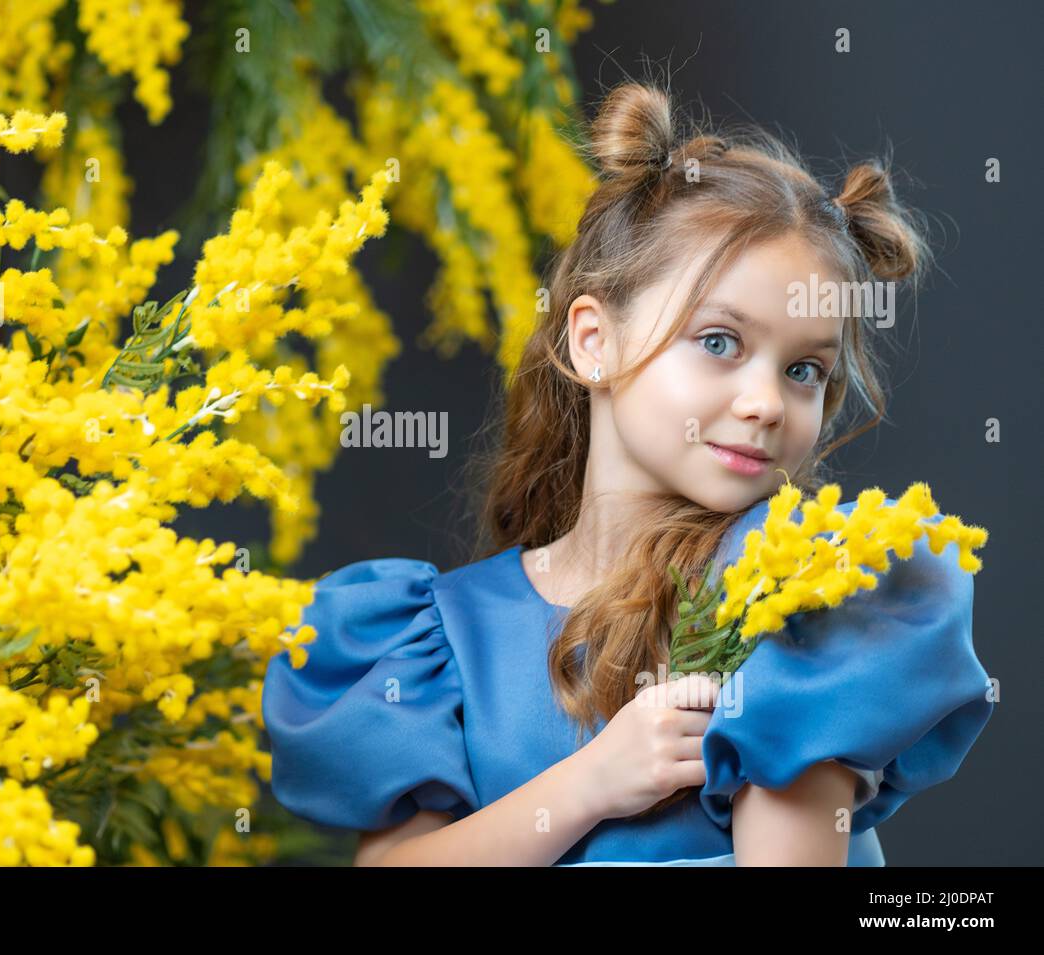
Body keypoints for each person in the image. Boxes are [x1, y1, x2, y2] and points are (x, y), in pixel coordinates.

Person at [260, 81, 994, 866]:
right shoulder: (438, 637)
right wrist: (593, 781)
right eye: (719, 341)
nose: (766, 403)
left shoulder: (796, 599)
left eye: (806, 370)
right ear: (593, 341)